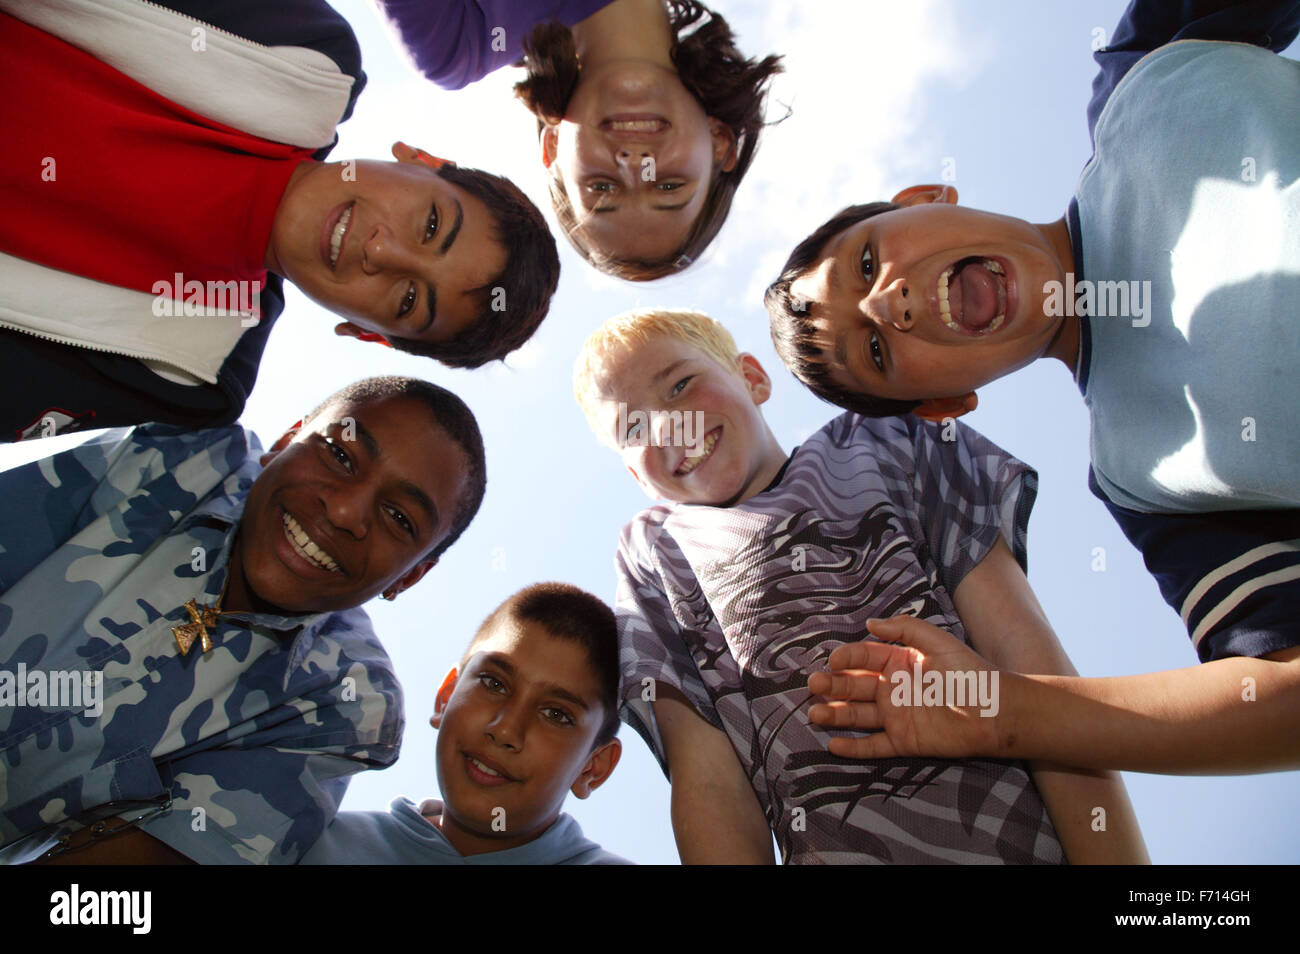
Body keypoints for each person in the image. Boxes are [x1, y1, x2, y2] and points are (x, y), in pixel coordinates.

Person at [762, 0, 1300, 773]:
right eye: (876, 350)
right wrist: (1005, 714)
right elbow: (1278, 698)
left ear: (924, 198)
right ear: (943, 407)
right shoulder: (1146, 481)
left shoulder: (1140, 74)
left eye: (869, 265)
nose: (891, 302)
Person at [571, 307, 1145, 864]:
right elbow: (705, 774)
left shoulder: (883, 439)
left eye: (679, 385)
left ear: (752, 377)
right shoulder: (655, 551)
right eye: (634, 427)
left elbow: (1025, 657)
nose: (671, 425)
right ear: (634, 475)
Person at [0, 0, 559, 442]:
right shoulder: (305, 52)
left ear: (367, 333)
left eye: (409, 301)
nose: (383, 253)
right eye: (433, 225)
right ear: (422, 158)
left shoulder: (198, 382)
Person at [0, 376, 486, 864]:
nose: (342, 510)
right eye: (339, 456)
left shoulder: (342, 705)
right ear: (282, 442)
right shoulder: (183, 454)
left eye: (400, 518)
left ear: (411, 577)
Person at [371, 0, 782, 280]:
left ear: (552, 149)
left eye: (601, 187)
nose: (634, 162)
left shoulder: (460, 41)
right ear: (719, 142)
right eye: (669, 185)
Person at [302, 583, 630, 865]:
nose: (505, 730)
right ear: (445, 698)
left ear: (593, 767)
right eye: (493, 683)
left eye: (556, 715)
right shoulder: (301, 845)